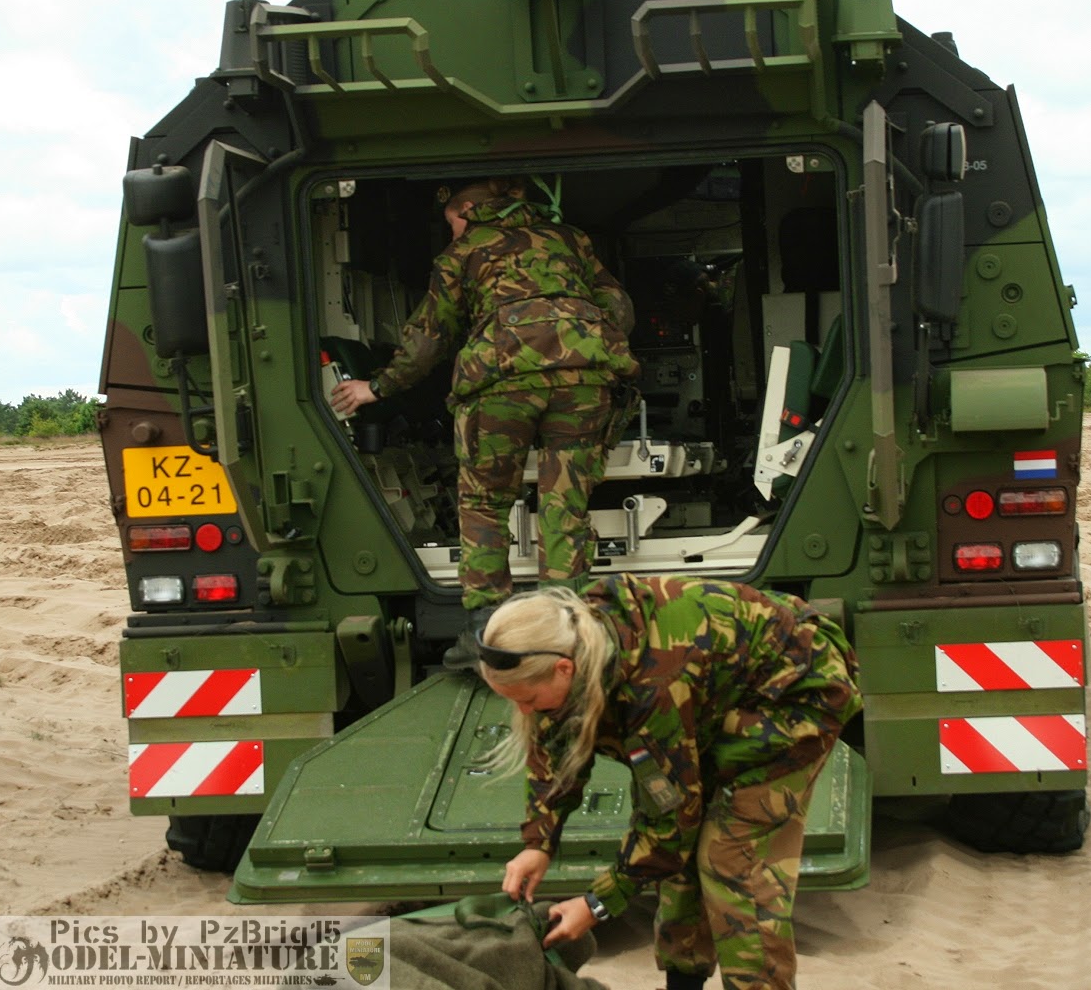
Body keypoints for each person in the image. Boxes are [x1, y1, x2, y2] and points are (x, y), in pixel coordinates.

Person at [476, 574, 863, 990]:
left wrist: (596, 905)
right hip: (724, 693)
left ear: (564, 669)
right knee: (681, 858)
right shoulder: (576, 640)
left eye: (528, 700)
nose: (524, 711)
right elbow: (554, 750)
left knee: (731, 860)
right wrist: (539, 843)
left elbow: (669, 824)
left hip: (799, 695)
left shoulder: (652, 689)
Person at [331, 178, 640, 642]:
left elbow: (429, 338)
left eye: (452, 223)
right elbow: (617, 305)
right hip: (583, 379)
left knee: (484, 502)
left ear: (470, 209)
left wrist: (376, 387)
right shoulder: (569, 239)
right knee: (565, 503)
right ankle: (565, 627)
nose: (452, 233)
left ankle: (485, 627)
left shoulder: (460, 255)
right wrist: (583, 341)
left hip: (500, 385)